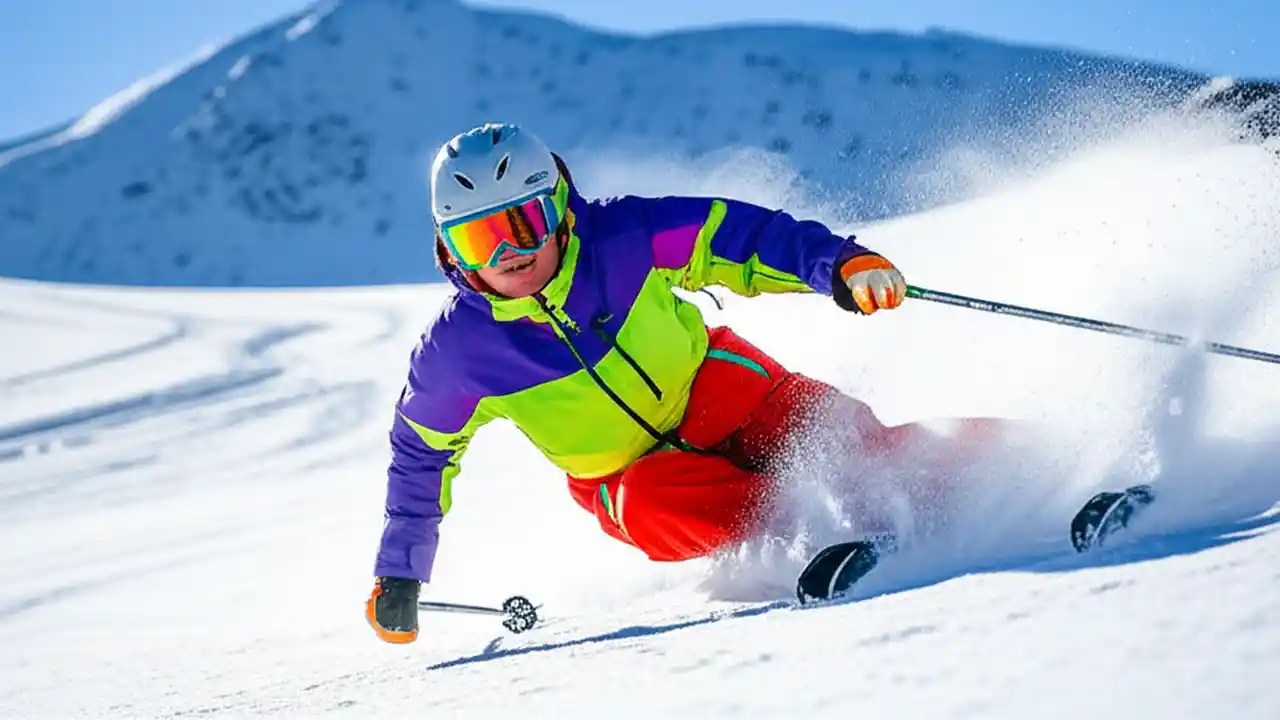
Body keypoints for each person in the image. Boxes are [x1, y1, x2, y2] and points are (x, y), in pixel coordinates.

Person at [366, 122, 964, 644]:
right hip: (629, 476)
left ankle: (998, 468)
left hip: (723, 390)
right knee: (651, 499)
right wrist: (400, 572)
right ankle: (812, 543)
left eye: (523, 224)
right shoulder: (457, 354)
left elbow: (736, 236)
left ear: (558, 208)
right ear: (451, 249)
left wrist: (836, 264)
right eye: (477, 238)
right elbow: (420, 456)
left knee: (839, 441)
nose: (507, 253)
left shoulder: (622, 238)